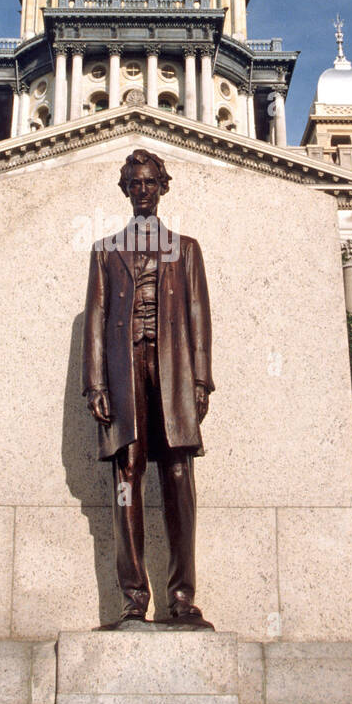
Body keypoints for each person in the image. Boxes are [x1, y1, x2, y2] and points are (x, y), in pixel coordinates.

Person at [82, 149, 214, 628]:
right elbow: (95, 319)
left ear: (162, 186)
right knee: (127, 477)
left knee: (179, 476)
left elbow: (199, 315)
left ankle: (181, 598)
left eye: (149, 182)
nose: (142, 191)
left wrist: (201, 379)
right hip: (123, 371)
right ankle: (133, 599)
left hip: (173, 368)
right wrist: (94, 382)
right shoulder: (104, 250)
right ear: (126, 190)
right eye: (134, 184)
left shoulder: (187, 248)